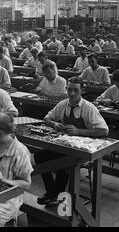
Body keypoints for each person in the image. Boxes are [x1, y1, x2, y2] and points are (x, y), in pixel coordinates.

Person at [36, 77, 108, 206]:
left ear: (82, 90)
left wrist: (78, 131)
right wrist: (54, 124)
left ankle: (57, 195)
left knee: (63, 163)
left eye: (76, 90)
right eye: (69, 89)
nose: (72, 93)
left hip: (81, 149)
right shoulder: (63, 104)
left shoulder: (88, 108)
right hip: (65, 144)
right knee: (40, 156)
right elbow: (47, 118)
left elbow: (104, 130)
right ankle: (52, 192)